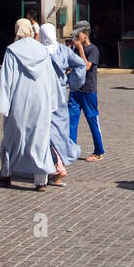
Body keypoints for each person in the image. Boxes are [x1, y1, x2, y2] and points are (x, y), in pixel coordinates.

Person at [0, 18, 61, 191]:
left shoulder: (12, 51)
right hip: (41, 100)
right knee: (40, 138)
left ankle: (6, 173)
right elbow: (50, 78)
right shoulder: (43, 51)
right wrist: (52, 99)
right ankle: (40, 180)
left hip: (20, 99)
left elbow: (7, 79)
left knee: (11, 136)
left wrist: (2, 102)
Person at [43, 23, 88, 184]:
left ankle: (58, 167)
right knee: (59, 131)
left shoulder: (39, 52)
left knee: (47, 132)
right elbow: (81, 64)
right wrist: (73, 82)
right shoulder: (63, 50)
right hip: (60, 95)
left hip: (43, 94)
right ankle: (54, 168)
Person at [68, 23, 105, 162]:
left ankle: (99, 151)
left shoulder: (93, 49)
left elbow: (87, 66)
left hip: (88, 90)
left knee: (92, 119)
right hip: (75, 90)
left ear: (86, 34)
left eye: (79, 34)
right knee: (71, 120)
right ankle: (70, 149)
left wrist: (80, 49)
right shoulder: (75, 48)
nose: (76, 37)